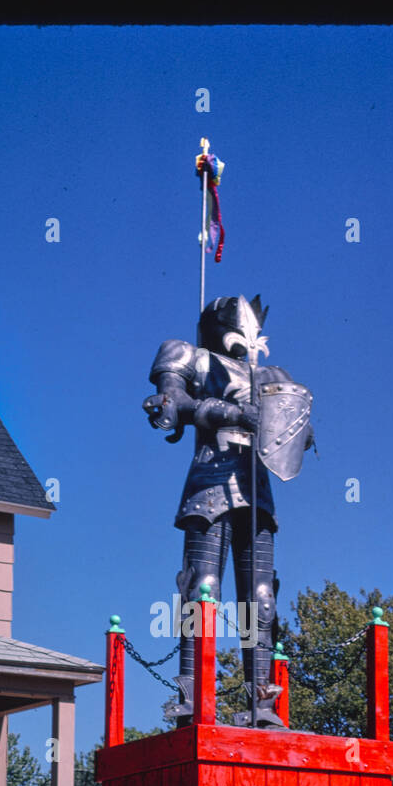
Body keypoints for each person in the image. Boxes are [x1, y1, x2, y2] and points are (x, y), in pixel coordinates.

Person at [143, 294, 313, 725]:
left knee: (260, 596)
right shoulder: (191, 357)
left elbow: (300, 433)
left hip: (256, 490)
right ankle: (192, 693)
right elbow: (170, 404)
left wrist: (276, 420)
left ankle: (262, 700)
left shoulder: (272, 376)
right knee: (202, 586)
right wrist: (229, 411)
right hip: (210, 482)